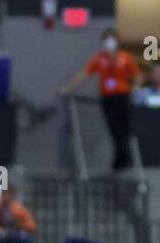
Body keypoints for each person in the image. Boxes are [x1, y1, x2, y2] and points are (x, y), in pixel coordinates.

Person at [60, 28, 141, 171]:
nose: (109, 42)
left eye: (112, 39)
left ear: (117, 41)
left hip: (122, 97)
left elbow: (136, 75)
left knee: (125, 130)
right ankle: (120, 160)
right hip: (108, 98)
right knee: (114, 129)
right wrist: (68, 88)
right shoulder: (99, 59)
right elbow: (84, 73)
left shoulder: (125, 57)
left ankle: (125, 158)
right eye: (106, 40)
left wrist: (136, 88)